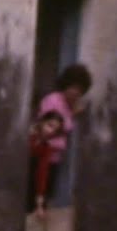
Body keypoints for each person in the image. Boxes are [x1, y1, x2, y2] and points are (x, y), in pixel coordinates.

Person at [31, 64, 92, 209]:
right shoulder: (53, 100)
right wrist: (72, 115)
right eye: (74, 88)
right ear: (66, 84)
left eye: (80, 90)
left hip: (55, 158)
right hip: (42, 156)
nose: (76, 93)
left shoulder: (67, 104)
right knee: (36, 198)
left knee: (46, 197)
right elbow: (49, 128)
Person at [26, 110, 64, 217]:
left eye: (55, 130)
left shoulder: (46, 146)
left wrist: (39, 202)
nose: (50, 131)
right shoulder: (26, 134)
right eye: (49, 125)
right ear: (42, 121)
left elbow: (42, 172)